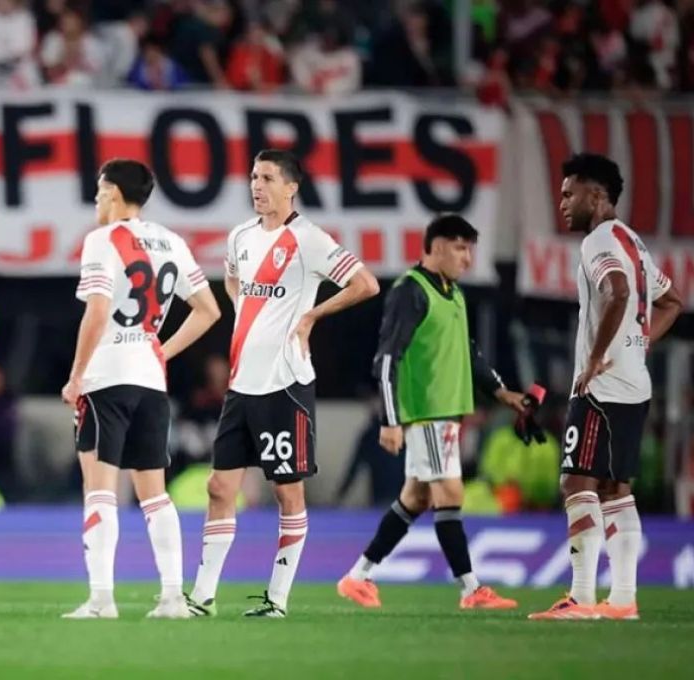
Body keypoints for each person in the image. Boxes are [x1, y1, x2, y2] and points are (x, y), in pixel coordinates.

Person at [187, 149, 380, 618]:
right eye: (254, 177)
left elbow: (366, 284)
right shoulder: (240, 236)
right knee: (219, 487)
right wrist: (250, 322)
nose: (257, 185)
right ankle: (203, 598)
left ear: (291, 187)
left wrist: (311, 315)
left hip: (285, 384)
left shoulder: (309, 239)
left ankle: (277, 600)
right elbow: (233, 283)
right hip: (241, 385)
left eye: (268, 178)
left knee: (286, 492)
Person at [336, 215, 529, 610]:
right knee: (450, 493)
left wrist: (501, 391)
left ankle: (357, 576)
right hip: (427, 414)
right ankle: (471, 590)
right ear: (437, 247)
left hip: (445, 414)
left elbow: (467, 351)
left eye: (470, 250)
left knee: (416, 498)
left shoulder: (453, 293)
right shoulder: (411, 290)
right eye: (460, 248)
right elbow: (386, 358)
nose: (468, 259)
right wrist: (390, 420)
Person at [61, 158, 220, 619]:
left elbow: (96, 312)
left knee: (99, 489)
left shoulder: (102, 239)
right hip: (150, 381)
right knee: (155, 494)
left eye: (98, 192)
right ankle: (172, 597)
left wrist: (76, 375)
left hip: (106, 376)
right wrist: (160, 352)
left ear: (113, 192)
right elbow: (209, 310)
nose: (96, 201)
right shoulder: (172, 241)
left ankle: (101, 600)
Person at [530, 153, 684, 621]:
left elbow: (617, 291)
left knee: (576, 482)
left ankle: (581, 598)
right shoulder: (633, 241)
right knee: (617, 490)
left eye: (569, 194)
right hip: (634, 384)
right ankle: (622, 600)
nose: (562, 202)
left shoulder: (598, 240)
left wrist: (596, 357)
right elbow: (672, 301)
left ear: (596, 195)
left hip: (601, 387)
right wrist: (638, 343)